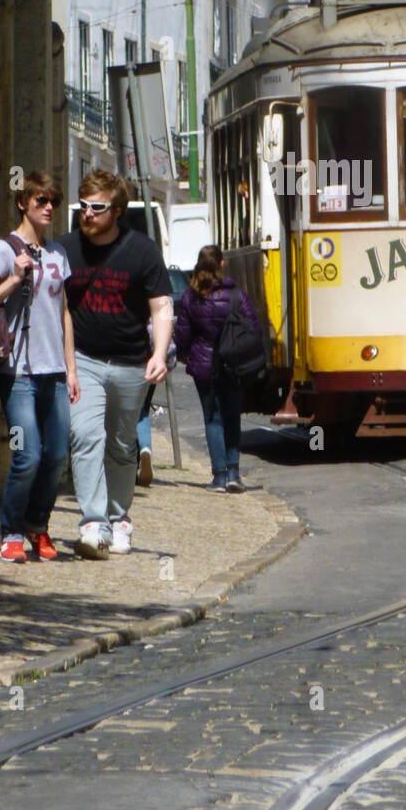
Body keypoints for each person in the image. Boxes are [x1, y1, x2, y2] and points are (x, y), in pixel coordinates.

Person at [60, 171, 174, 557]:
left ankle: (119, 518)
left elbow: (161, 306)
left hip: (130, 363)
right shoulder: (65, 249)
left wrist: (159, 353)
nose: (87, 214)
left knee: (123, 445)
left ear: (118, 210)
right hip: (83, 360)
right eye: (83, 206)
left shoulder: (142, 251)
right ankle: (93, 524)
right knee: (86, 436)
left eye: (97, 207)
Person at [0, 171, 79, 564]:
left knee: (56, 456)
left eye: (54, 201)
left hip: (53, 373)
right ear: (22, 203)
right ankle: (11, 530)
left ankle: (38, 524)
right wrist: (14, 279)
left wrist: (72, 368)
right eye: (41, 201)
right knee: (27, 454)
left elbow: (64, 312)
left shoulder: (57, 254)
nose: (49, 208)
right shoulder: (4, 249)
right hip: (17, 374)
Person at [173, 245, 261, 494]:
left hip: (204, 366)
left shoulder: (191, 297)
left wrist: (183, 354)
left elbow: (183, 334)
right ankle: (234, 473)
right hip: (233, 365)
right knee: (233, 418)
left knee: (213, 419)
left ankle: (219, 477)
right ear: (222, 264)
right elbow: (254, 328)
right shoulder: (236, 295)